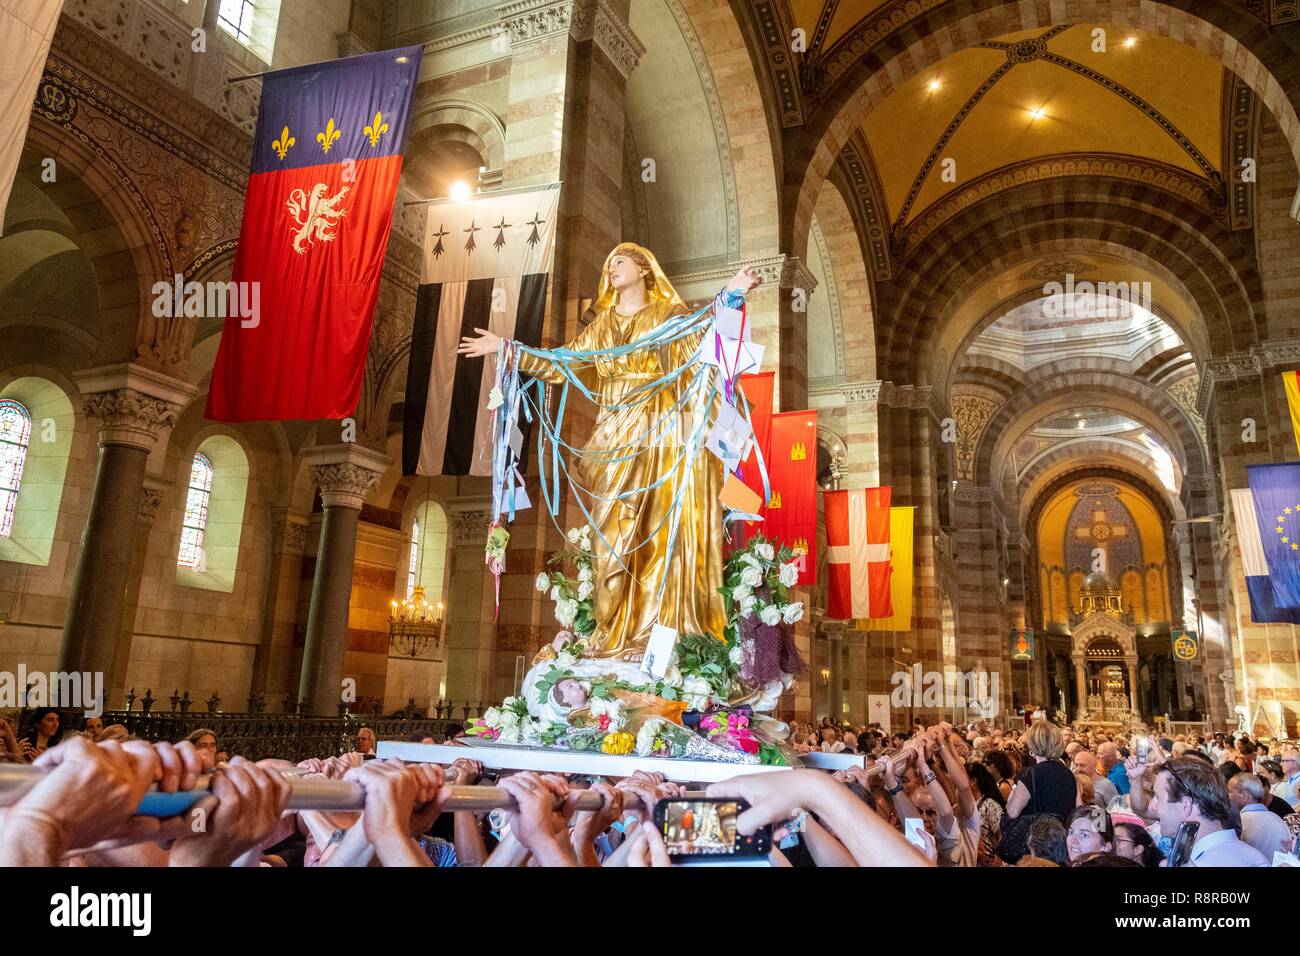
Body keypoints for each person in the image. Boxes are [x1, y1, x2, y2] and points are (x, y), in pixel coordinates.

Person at [457, 244, 763, 658]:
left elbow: (699, 333)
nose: (611, 266)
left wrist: (731, 294)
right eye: (608, 262)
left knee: (655, 532)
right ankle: (612, 627)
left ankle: (651, 631)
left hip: (658, 432)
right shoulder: (601, 326)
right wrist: (509, 348)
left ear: (644, 268)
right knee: (611, 539)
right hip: (612, 433)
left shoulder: (664, 317)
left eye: (620, 260)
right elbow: (563, 362)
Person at [1147, 757, 1268, 867]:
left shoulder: (1200, 863)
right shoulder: (1256, 858)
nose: (1151, 807)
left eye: (1158, 797)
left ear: (1185, 806)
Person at [1006, 721, 1076, 823]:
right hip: (1062, 834)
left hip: (1036, 835)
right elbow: (1076, 809)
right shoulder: (1068, 773)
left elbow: (1012, 812)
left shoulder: (1029, 774)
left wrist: (1010, 799)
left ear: (1033, 744)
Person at [1227, 772, 1294, 859]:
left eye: (1230, 791)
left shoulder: (1239, 822)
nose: (1227, 796)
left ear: (1244, 796)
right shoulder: (1277, 819)